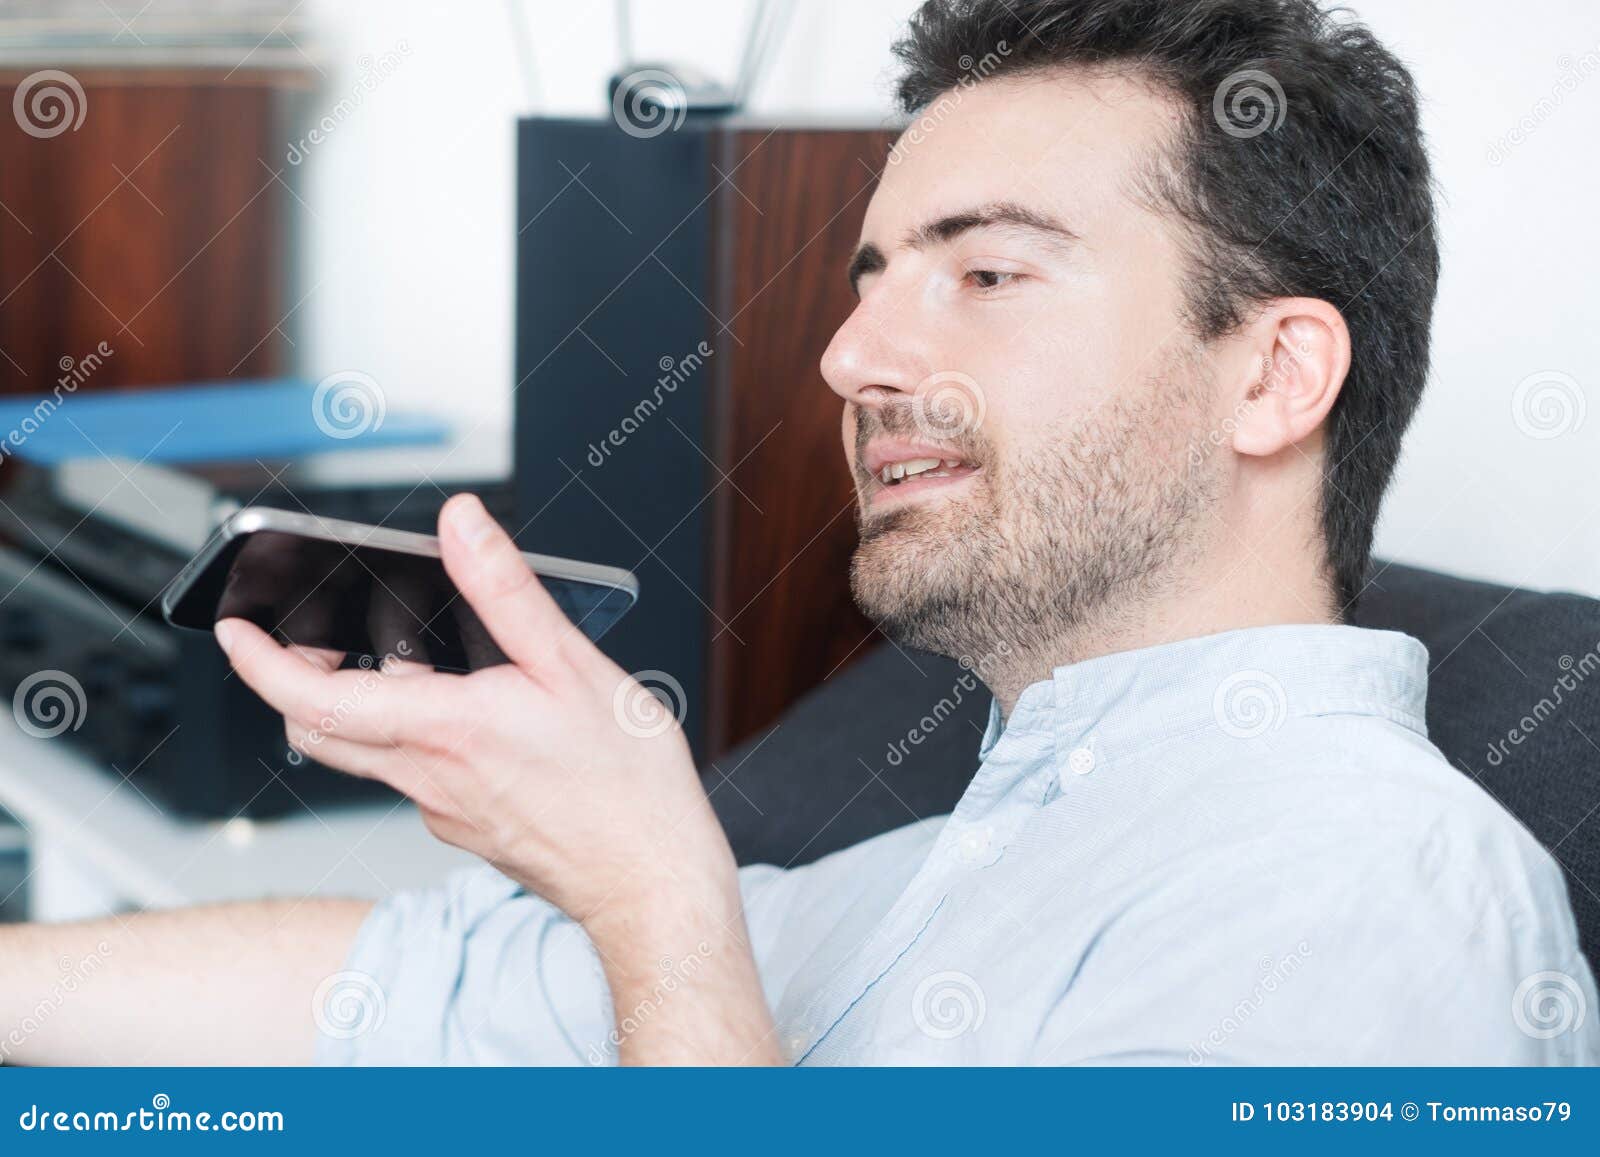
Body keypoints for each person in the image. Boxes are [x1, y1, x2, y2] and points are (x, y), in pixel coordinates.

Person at [4, 0, 1596, 1066]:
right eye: (867, 281)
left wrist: (656, 907)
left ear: (1273, 371)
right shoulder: (945, 858)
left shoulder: (1374, 904)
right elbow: (419, 991)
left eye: (985, 274)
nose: (848, 360)